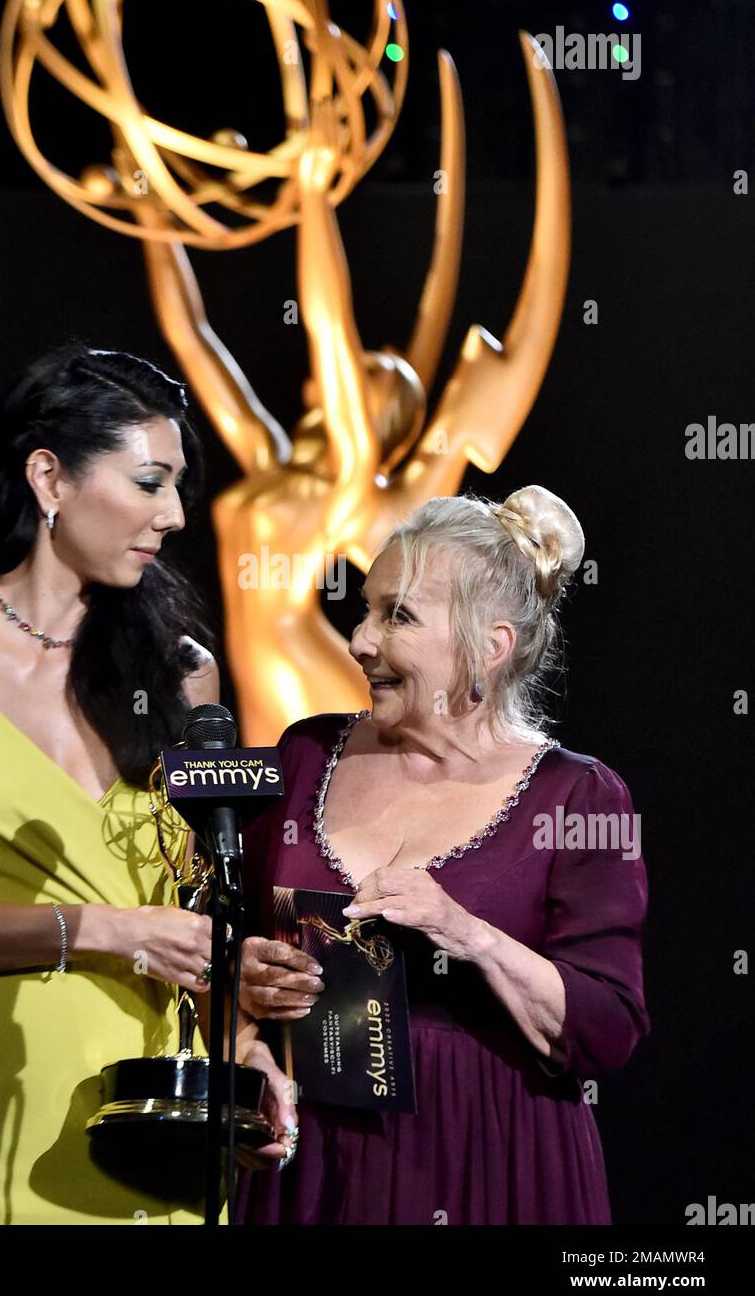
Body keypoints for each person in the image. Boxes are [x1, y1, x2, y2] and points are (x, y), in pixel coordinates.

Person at [0, 340, 291, 1224]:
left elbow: (194, 912)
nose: (175, 516)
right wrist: (104, 930)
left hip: (152, 1122)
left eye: (178, 488)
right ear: (50, 478)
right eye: (149, 483)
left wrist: (246, 1044)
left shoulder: (182, 671)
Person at [235, 485, 651, 1225]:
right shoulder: (303, 754)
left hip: (488, 1162)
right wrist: (246, 1012)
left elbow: (606, 1025)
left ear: (487, 647)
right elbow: (224, 937)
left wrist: (466, 934)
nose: (360, 639)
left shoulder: (576, 797)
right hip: (313, 1168)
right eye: (366, 609)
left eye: (397, 616)